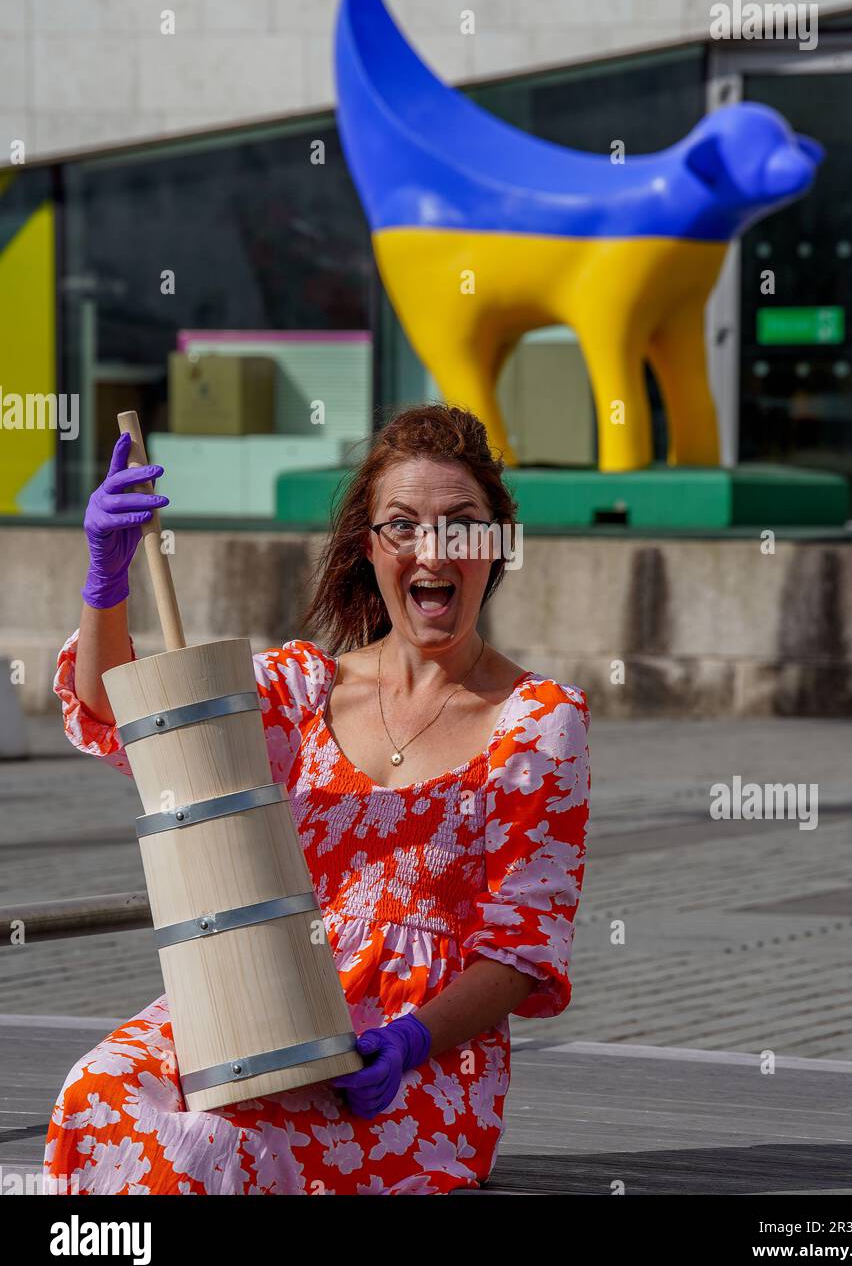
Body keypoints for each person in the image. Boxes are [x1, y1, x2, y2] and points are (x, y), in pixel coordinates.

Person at [43, 402, 591, 1195]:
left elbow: (521, 949)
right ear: (368, 550)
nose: (430, 548)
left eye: (461, 524)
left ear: (498, 544)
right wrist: (106, 581)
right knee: (99, 1095)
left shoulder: (540, 722)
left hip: (421, 1062)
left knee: (217, 1147)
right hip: (253, 1003)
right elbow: (131, 725)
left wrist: (408, 1041)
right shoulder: (301, 688)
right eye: (400, 525)